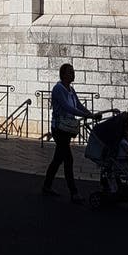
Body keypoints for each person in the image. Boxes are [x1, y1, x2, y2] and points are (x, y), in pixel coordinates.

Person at [42, 63, 101, 203]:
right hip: (59, 128)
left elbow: (78, 105)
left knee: (58, 159)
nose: (73, 74)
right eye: (70, 72)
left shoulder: (70, 89)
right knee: (68, 159)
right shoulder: (58, 89)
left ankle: (46, 186)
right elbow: (68, 107)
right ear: (63, 75)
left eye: (73, 72)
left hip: (66, 128)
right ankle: (74, 193)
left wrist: (90, 114)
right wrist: (88, 116)